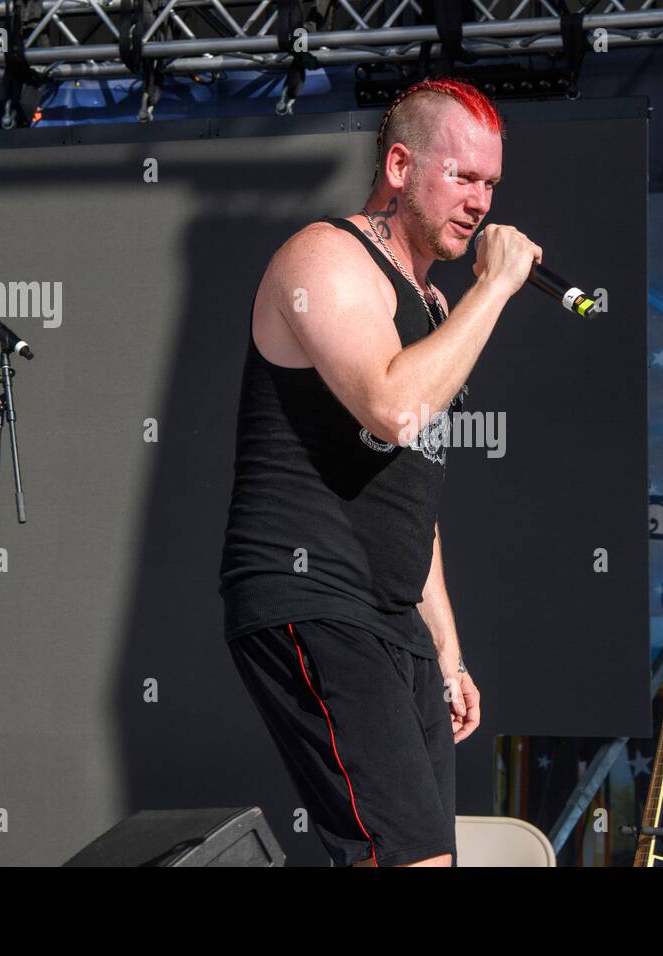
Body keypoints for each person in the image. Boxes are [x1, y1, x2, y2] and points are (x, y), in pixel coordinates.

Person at [218, 77, 542, 867]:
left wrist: (449, 650)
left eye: (491, 183)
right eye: (462, 176)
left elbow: (410, 494)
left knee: (419, 853)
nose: (479, 200)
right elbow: (393, 411)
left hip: (392, 617)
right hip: (314, 592)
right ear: (400, 165)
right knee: (410, 861)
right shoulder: (327, 257)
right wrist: (497, 285)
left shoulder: (430, 308)